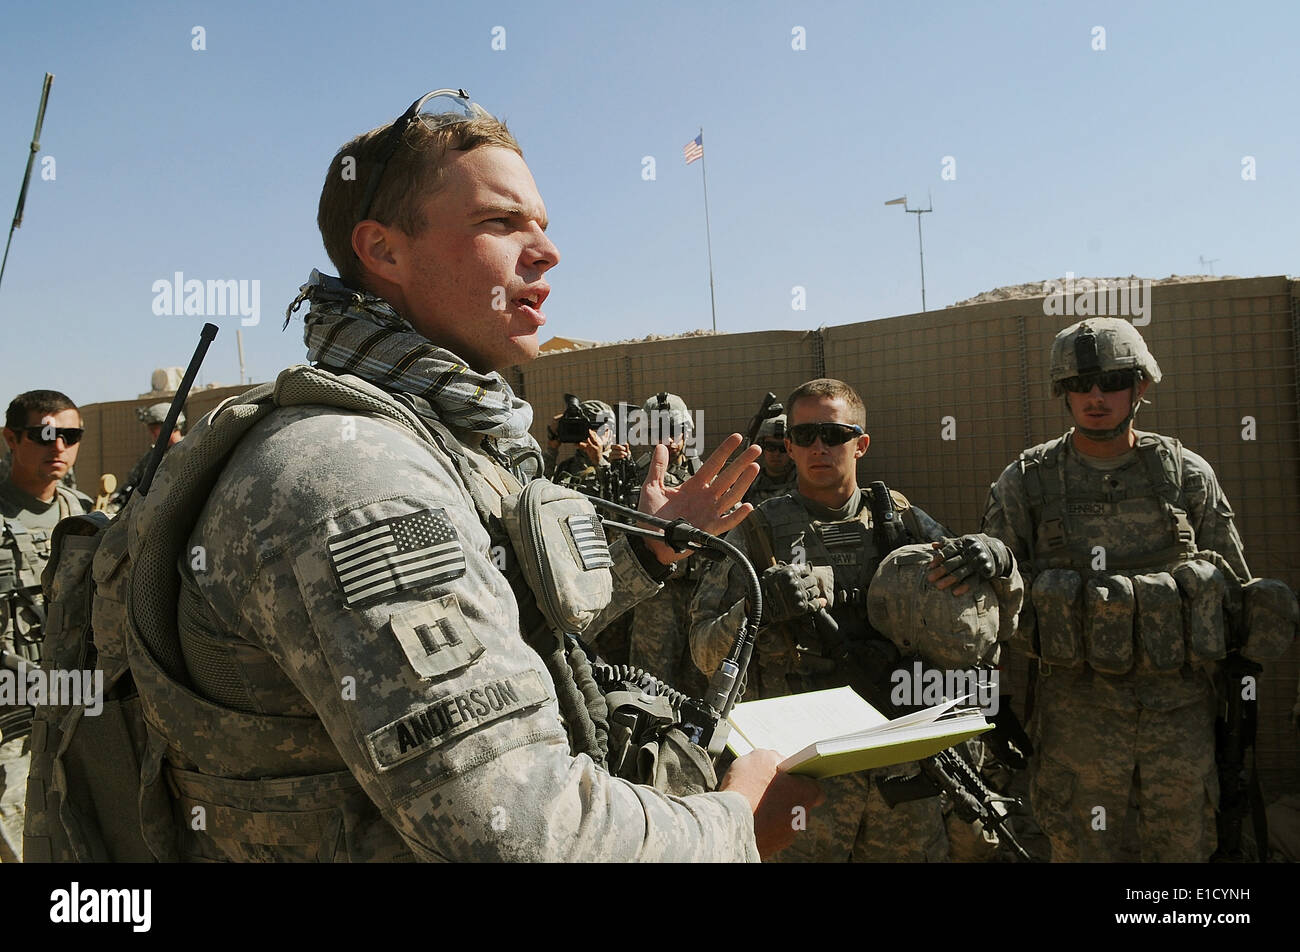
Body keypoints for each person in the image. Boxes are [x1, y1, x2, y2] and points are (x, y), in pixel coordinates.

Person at [119, 88, 819, 862]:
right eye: (501, 222)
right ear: (384, 251)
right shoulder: (354, 474)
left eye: (542, 225)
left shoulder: (437, 435)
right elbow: (518, 832)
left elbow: (491, 616)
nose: (547, 252)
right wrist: (734, 824)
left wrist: (647, 551)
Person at [690, 377, 1021, 862]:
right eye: (804, 436)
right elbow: (703, 652)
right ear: (790, 446)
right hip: (803, 773)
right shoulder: (754, 530)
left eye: (833, 434)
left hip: (900, 764)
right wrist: (759, 611)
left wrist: (999, 561)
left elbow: (982, 619)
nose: (818, 447)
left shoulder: (904, 522)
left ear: (860, 444)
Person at [980, 317, 1256, 862]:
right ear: (1063, 392)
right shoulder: (1028, 481)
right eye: (1080, 384)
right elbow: (993, 599)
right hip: (1075, 714)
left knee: (1183, 850)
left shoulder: (1185, 475)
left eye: (1112, 381)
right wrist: (992, 702)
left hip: (1180, 712)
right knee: (1080, 849)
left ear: (1141, 385)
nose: (1096, 397)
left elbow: (1235, 592)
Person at [0, 390, 92, 862]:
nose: (59, 447)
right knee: (16, 820)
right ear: (11, 439)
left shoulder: (86, 516)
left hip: (79, 698)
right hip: (11, 707)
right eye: (45, 434)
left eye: (71, 436)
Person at [626, 392, 708, 697]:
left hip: (700, 592)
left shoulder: (703, 474)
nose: (670, 441)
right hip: (656, 594)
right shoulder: (633, 477)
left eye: (675, 431)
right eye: (659, 432)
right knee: (650, 682)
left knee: (700, 681)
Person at [107, 403, 186, 513]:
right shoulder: (152, 455)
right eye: (150, 428)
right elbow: (131, 484)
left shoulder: (187, 450)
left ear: (172, 425)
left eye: (155, 428)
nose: (151, 432)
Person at [743, 413, 796, 506]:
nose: (776, 453)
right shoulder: (749, 484)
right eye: (771, 447)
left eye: (783, 448)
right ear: (762, 447)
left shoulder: (805, 483)